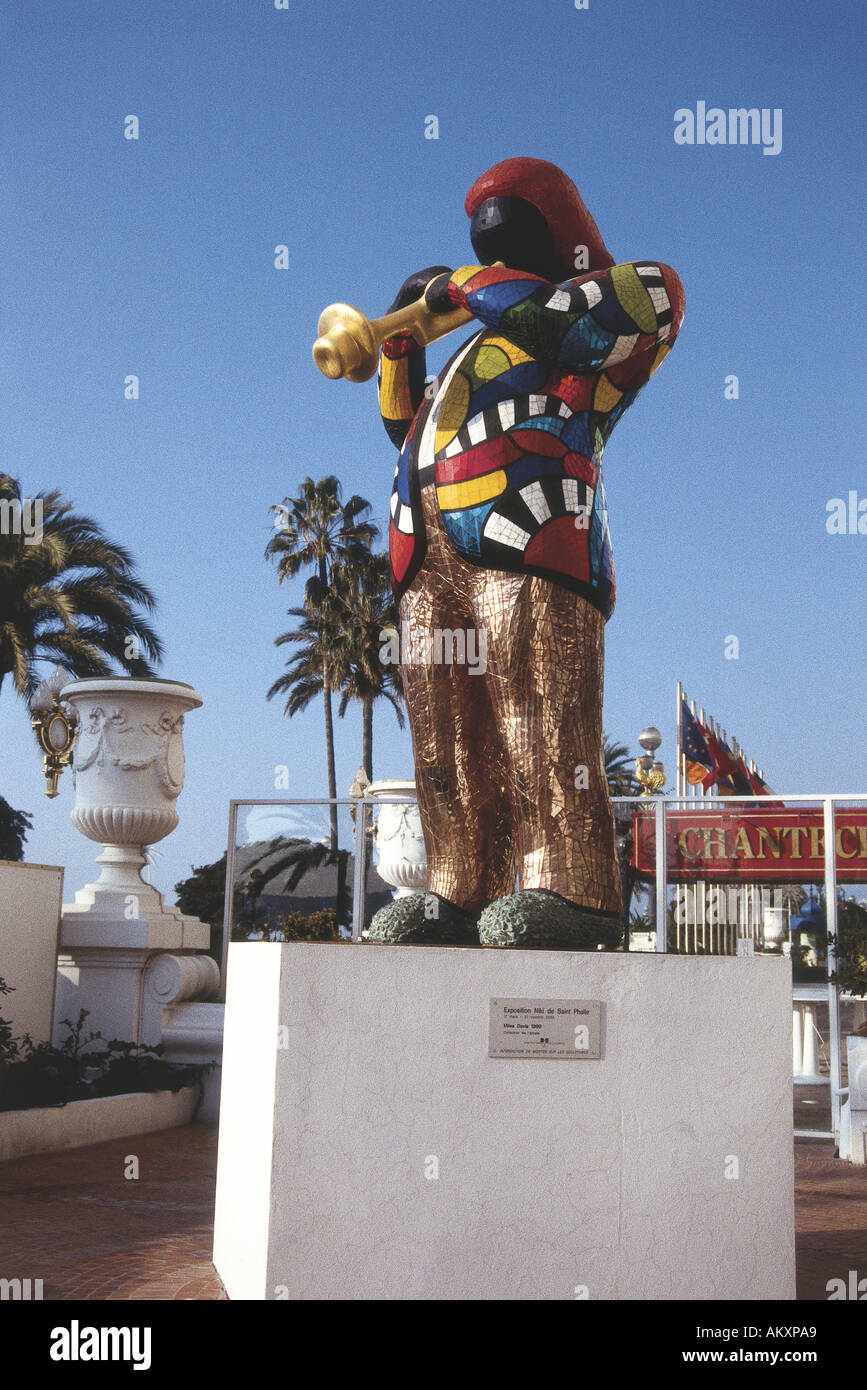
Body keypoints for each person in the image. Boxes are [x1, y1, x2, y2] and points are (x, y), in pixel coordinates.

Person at [370, 157, 684, 948]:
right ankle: (456, 886)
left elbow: (566, 327)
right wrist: (399, 343)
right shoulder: (473, 349)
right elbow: (400, 428)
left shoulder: (638, 294)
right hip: (427, 549)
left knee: (535, 707)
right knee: (443, 730)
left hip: (533, 533)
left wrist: (465, 287)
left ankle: (571, 888)